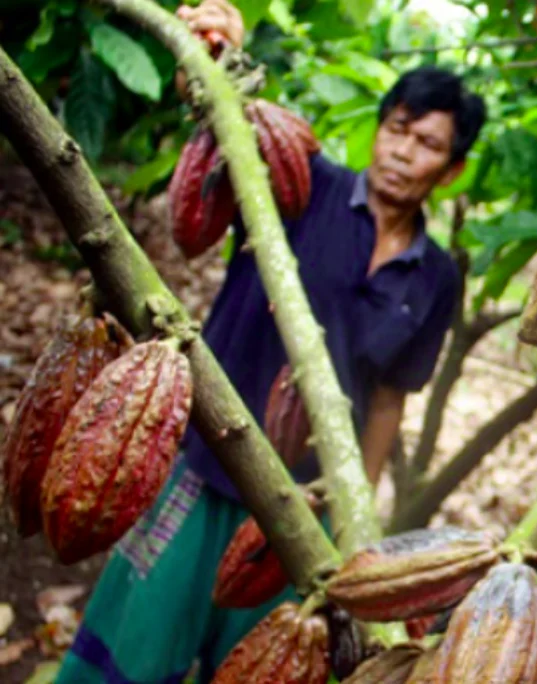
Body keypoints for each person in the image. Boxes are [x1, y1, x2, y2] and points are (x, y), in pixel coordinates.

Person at [54, 1, 486, 680]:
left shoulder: (433, 278)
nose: (404, 151)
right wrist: (215, 56)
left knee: (258, 658)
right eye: (398, 129)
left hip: (300, 508)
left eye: (429, 144)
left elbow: (388, 402)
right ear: (378, 130)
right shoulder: (302, 186)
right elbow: (221, 130)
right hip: (201, 461)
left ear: (453, 169)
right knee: (135, 643)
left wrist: (356, 512)